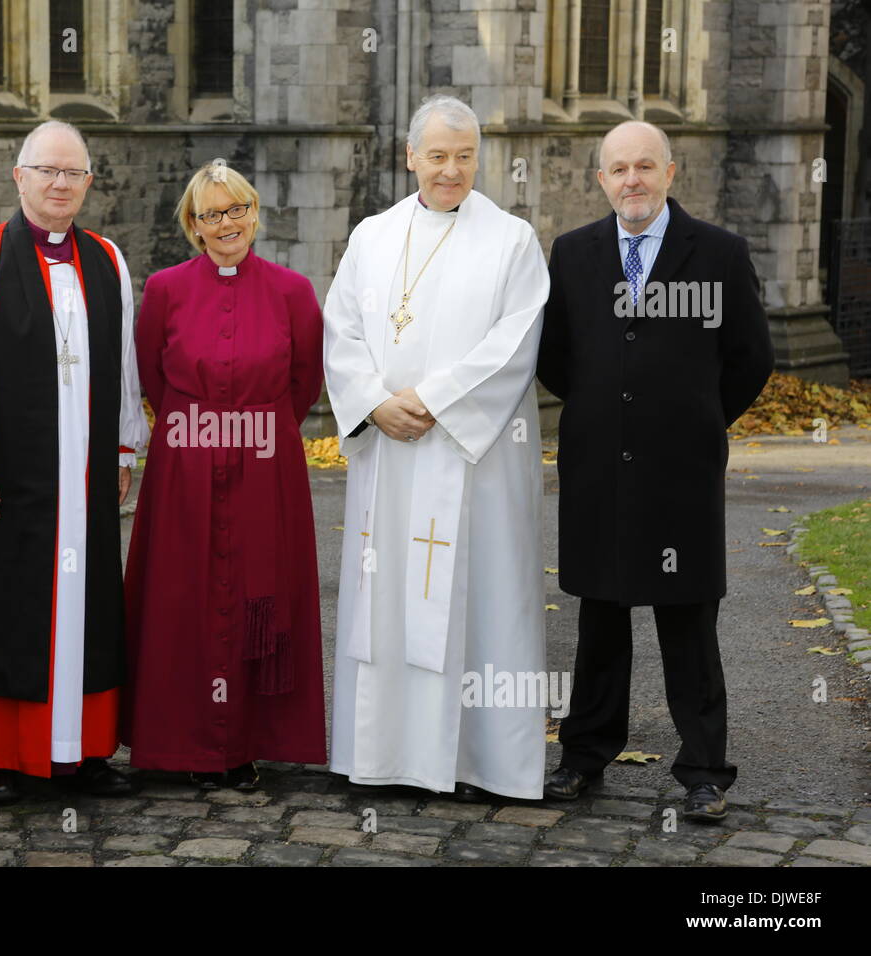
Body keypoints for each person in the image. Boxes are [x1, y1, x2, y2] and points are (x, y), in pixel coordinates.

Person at [536, 121, 773, 821]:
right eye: (618, 169)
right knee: (600, 621)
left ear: (671, 173)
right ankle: (584, 756)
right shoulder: (574, 253)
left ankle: (704, 772)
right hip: (597, 468)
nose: (631, 180)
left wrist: (696, 418)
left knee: (687, 621)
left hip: (681, 471)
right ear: (601, 179)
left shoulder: (720, 254)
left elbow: (751, 359)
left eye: (645, 166)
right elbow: (557, 358)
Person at [323, 94, 549, 800]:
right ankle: (383, 756)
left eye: (464, 156)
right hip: (392, 455)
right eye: (438, 155)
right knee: (388, 598)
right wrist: (374, 404)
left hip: (471, 460)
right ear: (410, 156)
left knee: (480, 599)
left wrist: (433, 400)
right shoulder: (371, 236)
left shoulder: (511, 240)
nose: (450, 170)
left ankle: (482, 762)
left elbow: (515, 342)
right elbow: (342, 332)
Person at [0, 120, 149, 804]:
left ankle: (82, 751)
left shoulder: (107, 259)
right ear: (18, 177)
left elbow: (122, 363)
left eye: (73, 173)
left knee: (87, 607)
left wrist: (121, 443)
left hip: (82, 478)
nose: (59, 184)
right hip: (2, 477)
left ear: (88, 184)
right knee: (4, 609)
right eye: (46, 171)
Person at [122, 163, 327, 789]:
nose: (226, 222)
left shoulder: (294, 291)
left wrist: (253, 431)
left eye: (236, 208)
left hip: (268, 467)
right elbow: (153, 378)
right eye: (211, 214)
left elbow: (305, 383)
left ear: (254, 212)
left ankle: (246, 744)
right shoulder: (163, 289)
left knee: (257, 599)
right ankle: (174, 745)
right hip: (185, 464)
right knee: (180, 597)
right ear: (193, 225)